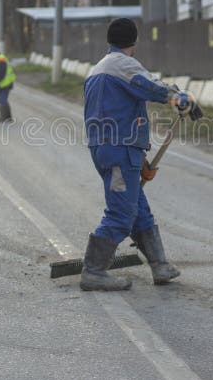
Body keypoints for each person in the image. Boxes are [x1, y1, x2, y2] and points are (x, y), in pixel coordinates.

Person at [80, 17, 195, 291]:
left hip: (108, 148)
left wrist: (137, 157)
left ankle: (160, 266)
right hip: (119, 149)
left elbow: (113, 111)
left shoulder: (96, 70)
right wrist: (177, 97)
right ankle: (93, 270)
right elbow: (149, 86)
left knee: (138, 210)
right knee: (121, 213)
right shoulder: (123, 64)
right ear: (133, 42)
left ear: (109, 40)